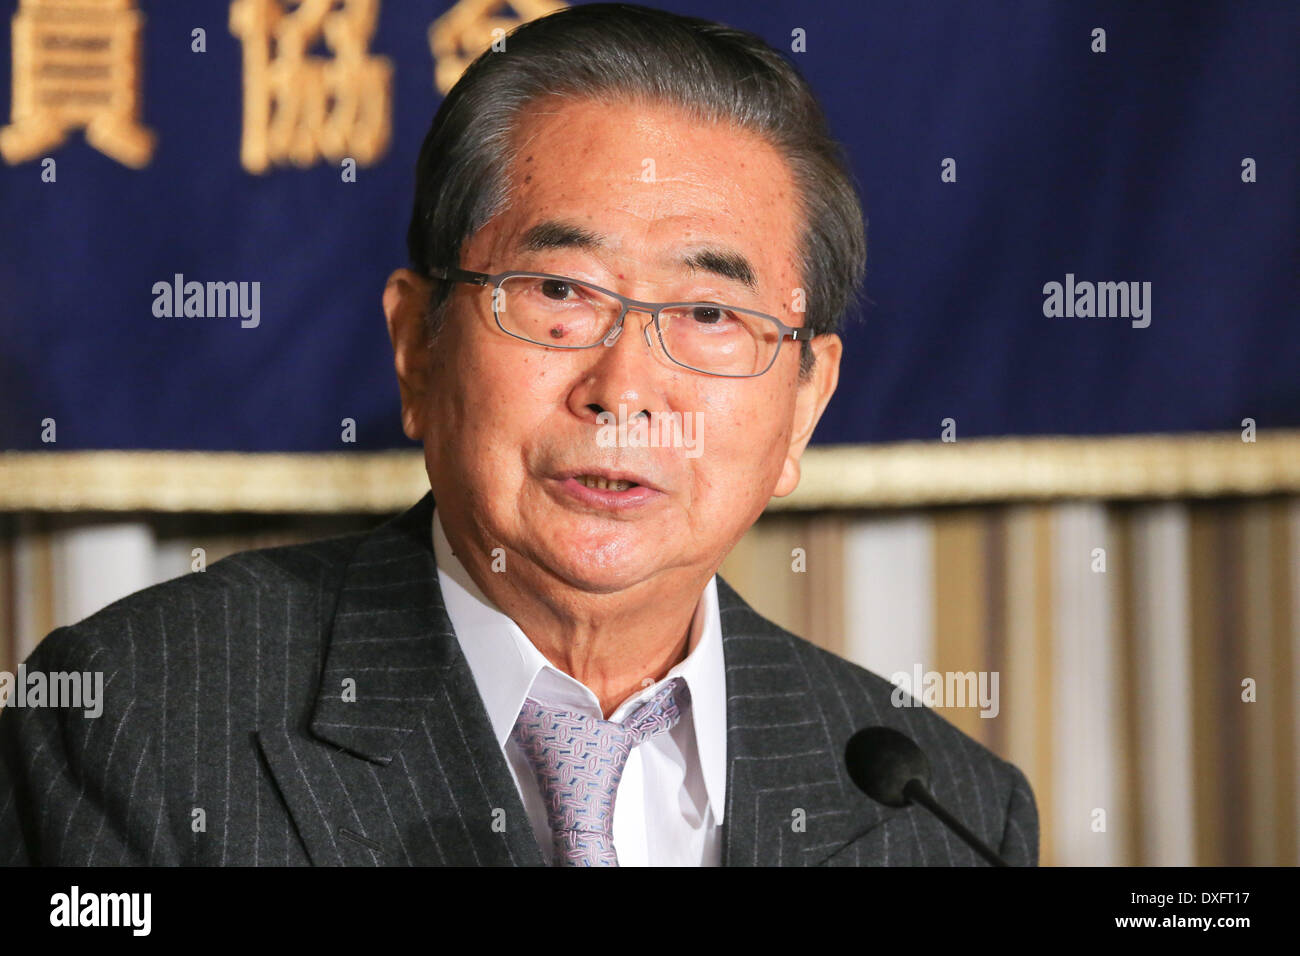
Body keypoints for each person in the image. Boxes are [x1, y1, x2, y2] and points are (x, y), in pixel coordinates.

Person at [0, 2, 1036, 866]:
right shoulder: (132, 721)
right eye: (557, 291)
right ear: (416, 344)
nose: (625, 389)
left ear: (803, 404)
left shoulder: (940, 811)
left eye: (710, 314)